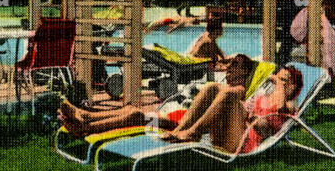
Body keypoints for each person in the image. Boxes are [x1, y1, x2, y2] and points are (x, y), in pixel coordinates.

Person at [57, 60, 304, 155]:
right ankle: (86, 119)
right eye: (276, 78)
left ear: (292, 86)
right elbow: (247, 112)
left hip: (238, 144)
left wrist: (280, 88)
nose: (275, 82)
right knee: (210, 89)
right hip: (200, 127)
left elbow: (262, 127)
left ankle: (190, 131)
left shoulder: (287, 107)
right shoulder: (257, 98)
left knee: (234, 92)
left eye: (283, 80)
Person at [188, 17, 251, 86]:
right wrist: (229, 65)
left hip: (193, 62)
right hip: (195, 69)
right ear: (217, 30)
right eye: (221, 27)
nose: (223, 29)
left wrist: (227, 58)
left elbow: (219, 52)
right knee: (230, 67)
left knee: (233, 59)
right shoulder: (208, 42)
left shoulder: (207, 35)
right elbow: (215, 63)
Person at [290, 7, 335, 80]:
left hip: (321, 68)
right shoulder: (311, 15)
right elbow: (297, 34)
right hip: (318, 67)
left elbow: (297, 34)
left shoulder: (327, 29)